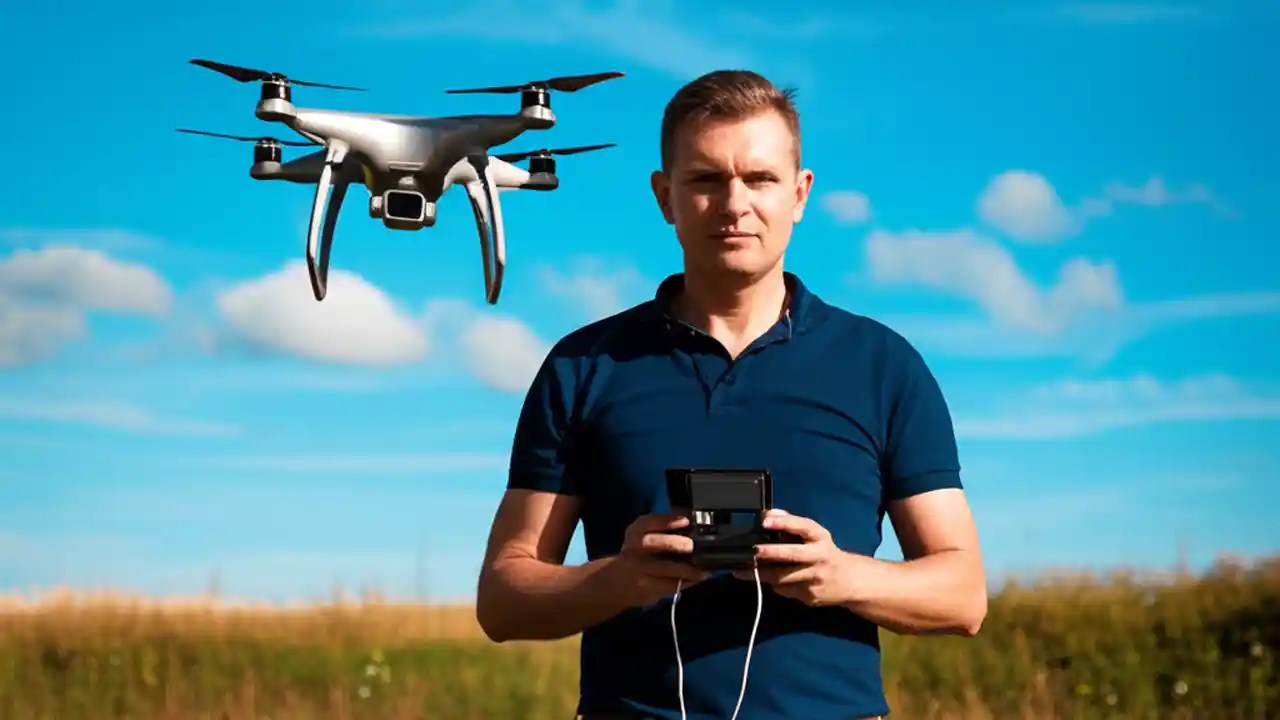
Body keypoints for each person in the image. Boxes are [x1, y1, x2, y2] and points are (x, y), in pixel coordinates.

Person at [475, 69, 987, 720]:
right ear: (665, 196)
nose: (735, 203)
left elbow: (963, 594)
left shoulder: (882, 364)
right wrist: (620, 579)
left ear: (800, 194)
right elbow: (503, 600)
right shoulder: (583, 365)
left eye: (760, 179)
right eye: (706, 179)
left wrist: (842, 575)